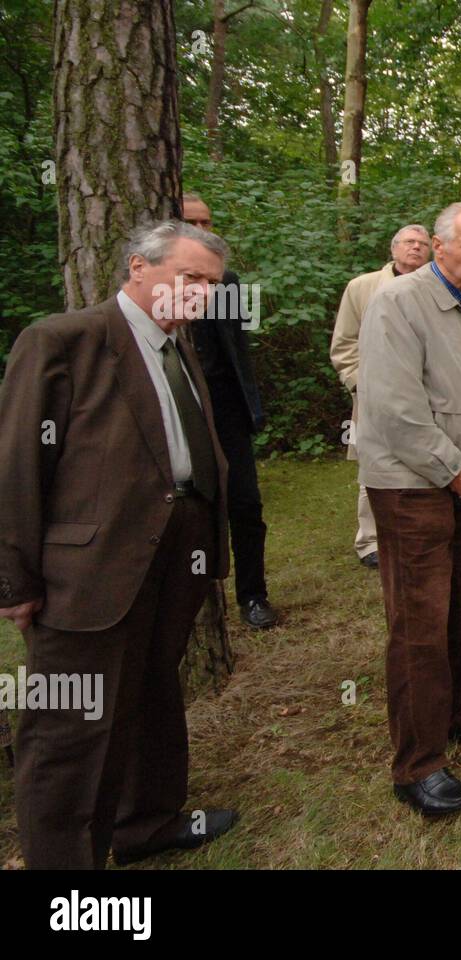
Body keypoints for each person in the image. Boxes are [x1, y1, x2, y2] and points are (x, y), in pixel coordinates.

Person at [0, 220, 239, 868]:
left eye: (210, 287)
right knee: (72, 731)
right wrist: (14, 581)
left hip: (174, 558)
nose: (199, 295)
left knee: (155, 693)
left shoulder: (179, 349)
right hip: (91, 572)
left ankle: (147, 825)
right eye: (188, 278)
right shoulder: (63, 342)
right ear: (138, 267)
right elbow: (18, 465)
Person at [356, 202, 461, 817]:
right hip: (413, 485)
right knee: (420, 621)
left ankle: (455, 715)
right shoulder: (398, 303)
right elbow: (396, 407)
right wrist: (455, 471)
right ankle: (417, 764)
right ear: (438, 246)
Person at [181, 194, 278, 628]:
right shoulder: (160, 287)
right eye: (191, 223)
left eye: (206, 222)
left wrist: (250, 408)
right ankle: (192, 596)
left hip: (226, 407)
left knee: (245, 504)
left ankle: (253, 596)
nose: (203, 231)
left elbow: (238, 349)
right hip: (180, 408)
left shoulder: (228, 281)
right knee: (190, 509)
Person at [330, 224, 432, 568]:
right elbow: (344, 345)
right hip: (374, 397)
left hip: (425, 396)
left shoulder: (436, 288)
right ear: (393, 248)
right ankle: (370, 540)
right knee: (374, 465)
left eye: (422, 244)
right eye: (409, 242)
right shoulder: (362, 288)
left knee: (422, 462)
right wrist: (361, 383)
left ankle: (415, 533)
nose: (416, 248)